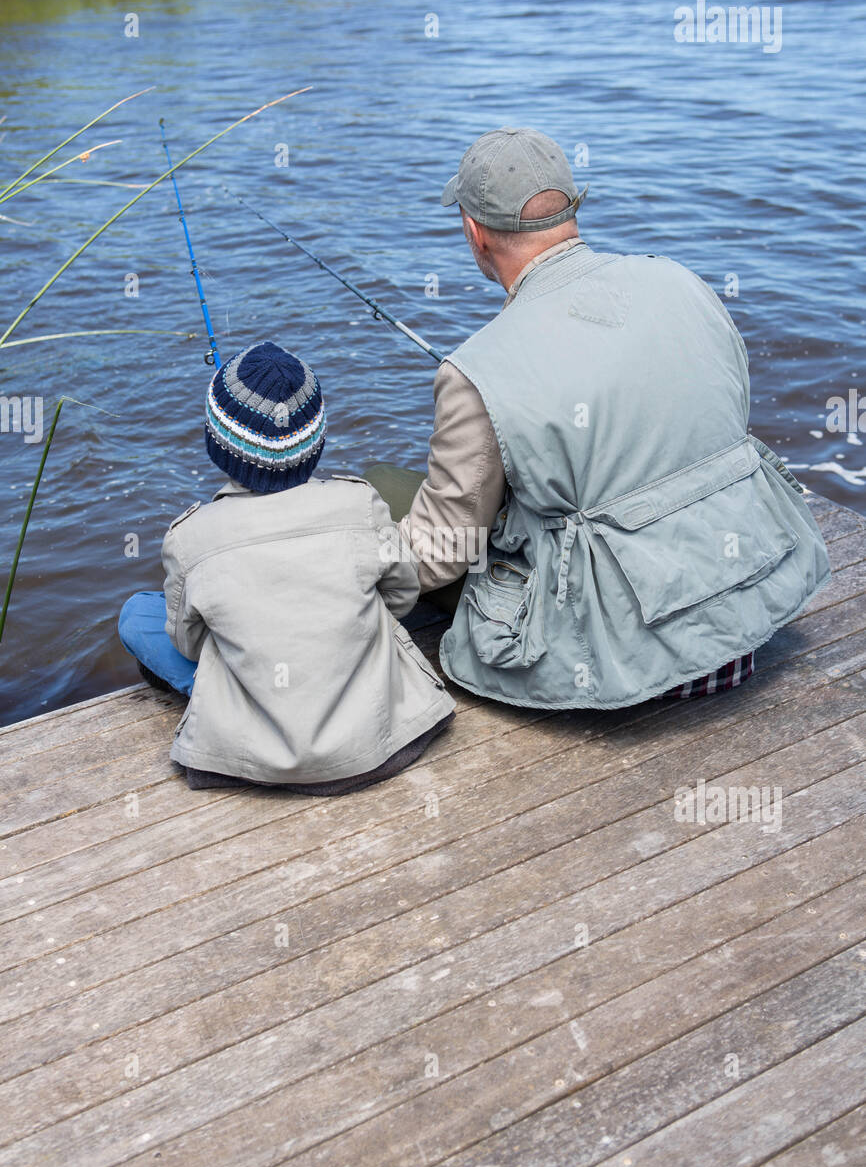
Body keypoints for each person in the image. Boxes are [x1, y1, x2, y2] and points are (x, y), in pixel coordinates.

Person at [367, 127, 830, 709]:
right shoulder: (682, 282)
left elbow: (443, 549)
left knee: (383, 488)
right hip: (747, 612)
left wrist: (344, 573)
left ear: (473, 232)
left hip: (624, 661)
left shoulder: (474, 372)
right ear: (570, 209)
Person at [118, 341, 455, 792]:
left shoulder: (190, 536)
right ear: (316, 443)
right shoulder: (359, 503)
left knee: (138, 615)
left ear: (217, 446)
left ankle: (230, 710)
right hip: (381, 743)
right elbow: (400, 594)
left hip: (258, 756)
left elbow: (191, 642)